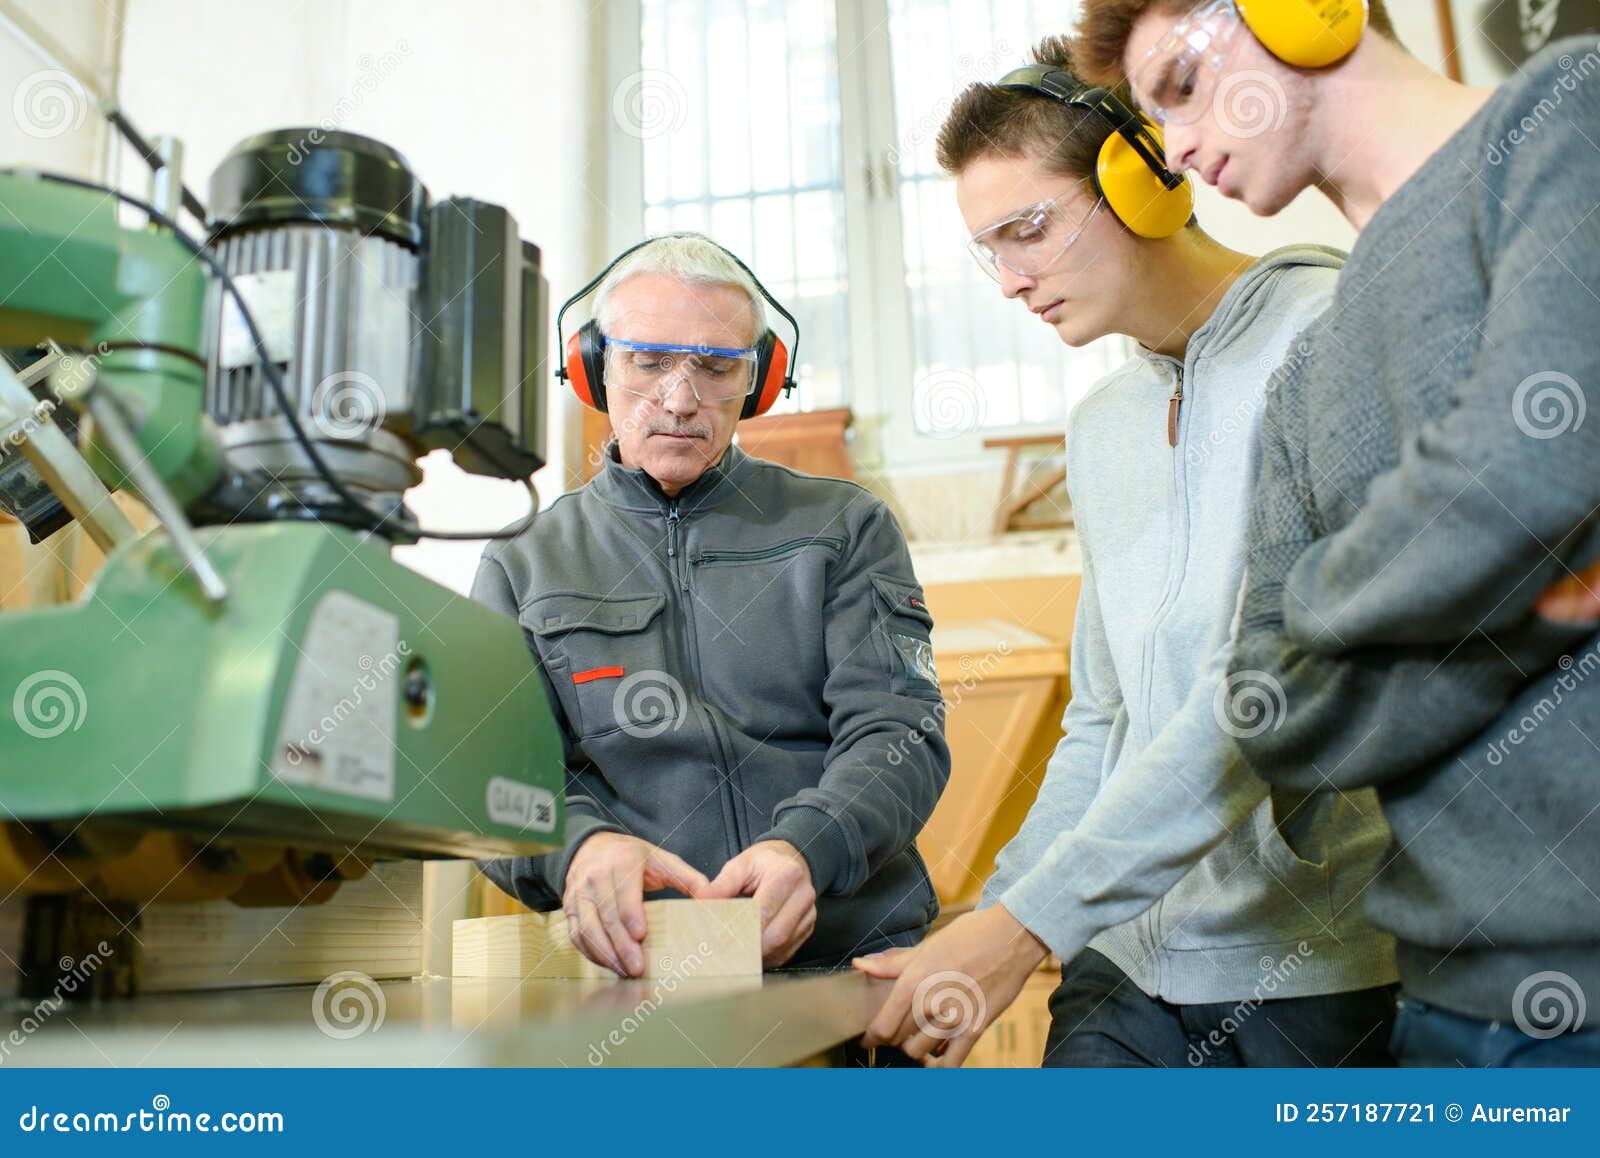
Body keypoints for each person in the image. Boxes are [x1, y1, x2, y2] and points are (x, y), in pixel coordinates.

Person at [1076, 0, 1600, 1064]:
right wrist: (1521, 617)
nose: (1171, 150)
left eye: (1178, 84)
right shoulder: (1308, 368)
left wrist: (1342, 611)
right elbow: (1271, 709)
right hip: (1446, 997)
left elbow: (1521, 465)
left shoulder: (1561, 119)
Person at [855, 37, 1396, 1068]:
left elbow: (1264, 701)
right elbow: (1100, 718)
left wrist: (1022, 928)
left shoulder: (1330, 339)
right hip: (1119, 969)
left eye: (1028, 231)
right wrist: (1003, 916)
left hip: (1310, 970)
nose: (1011, 281)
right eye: (990, 251)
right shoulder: (1100, 425)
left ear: (1140, 178)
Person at [472, 233, 950, 978]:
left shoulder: (845, 527)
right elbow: (498, 779)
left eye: (716, 366)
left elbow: (900, 733)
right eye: (649, 361)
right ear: (593, 368)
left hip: (854, 962)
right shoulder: (523, 562)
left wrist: (809, 848)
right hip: (643, 978)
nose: (680, 399)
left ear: (760, 383)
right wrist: (581, 849)